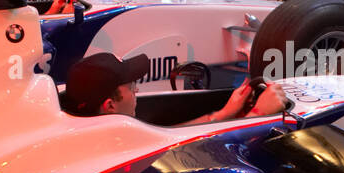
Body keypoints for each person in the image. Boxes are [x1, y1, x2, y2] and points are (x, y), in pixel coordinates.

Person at [60, 52, 286, 125]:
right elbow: (169, 150)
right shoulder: (113, 149)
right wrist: (258, 114)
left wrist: (225, 114)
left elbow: (163, 137)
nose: (137, 91)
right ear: (110, 105)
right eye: (132, 86)